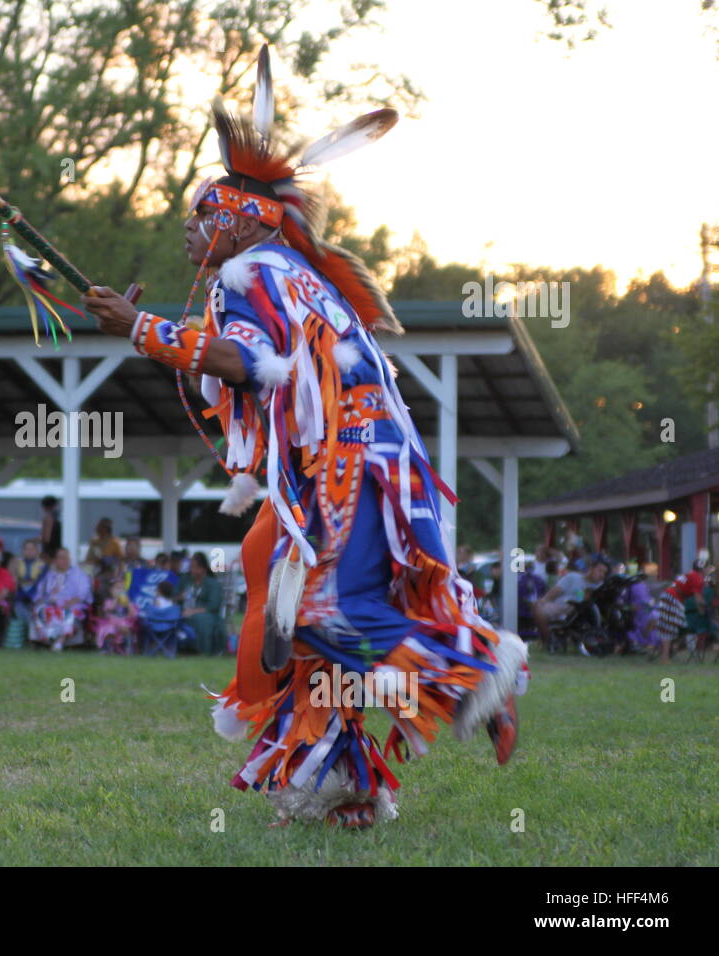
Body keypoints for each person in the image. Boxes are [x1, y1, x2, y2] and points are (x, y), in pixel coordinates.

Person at [81, 46, 526, 829]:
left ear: (234, 220)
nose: (189, 229)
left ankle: (476, 671)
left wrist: (143, 330)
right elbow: (266, 372)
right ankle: (342, 780)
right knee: (282, 589)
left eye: (198, 213)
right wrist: (146, 331)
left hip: (347, 467)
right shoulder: (288, 272)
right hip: (358, 462)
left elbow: (252, 365)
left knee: (320, 611)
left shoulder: (247, 274)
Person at [29, 547, 91, 651]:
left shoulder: (78, 574)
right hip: (50, 604)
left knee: (68, 613)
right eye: (60, 558)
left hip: (71, 604)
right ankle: (48, 640)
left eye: (65, 557)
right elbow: (40, 592)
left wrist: (70, 603)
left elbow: (83, 593)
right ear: (55, 560)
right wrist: (42, 600)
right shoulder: (49, 575)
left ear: (69, 559)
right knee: (40, 609)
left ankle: (60, 641)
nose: (63, 560)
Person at [179, 551, 225, 655]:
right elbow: (174, 595)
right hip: (184, 612)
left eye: (195, 568)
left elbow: (213, 606)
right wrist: (180, 597)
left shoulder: (212, 584)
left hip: (208, 615)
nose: (192, 571)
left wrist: (193, 611)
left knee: (202, 620)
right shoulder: (186, 580)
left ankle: (204, 650)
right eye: (191, 567)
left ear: (203, 569)